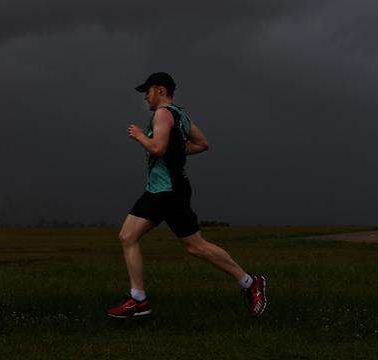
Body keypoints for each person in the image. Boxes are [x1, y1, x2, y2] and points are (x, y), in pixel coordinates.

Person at [106, 72, 267, 319]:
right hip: (160, 190)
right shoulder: (180, 115)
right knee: (128, 236)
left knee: (196, 246)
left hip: (168, 192)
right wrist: (177, 150)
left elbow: (157, 148)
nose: (145, 97)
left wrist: (140, 136)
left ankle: (250, 282)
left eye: (148, 91)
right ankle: (138, 299)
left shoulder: (162, 114)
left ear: (160, 90)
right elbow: (202, 143)